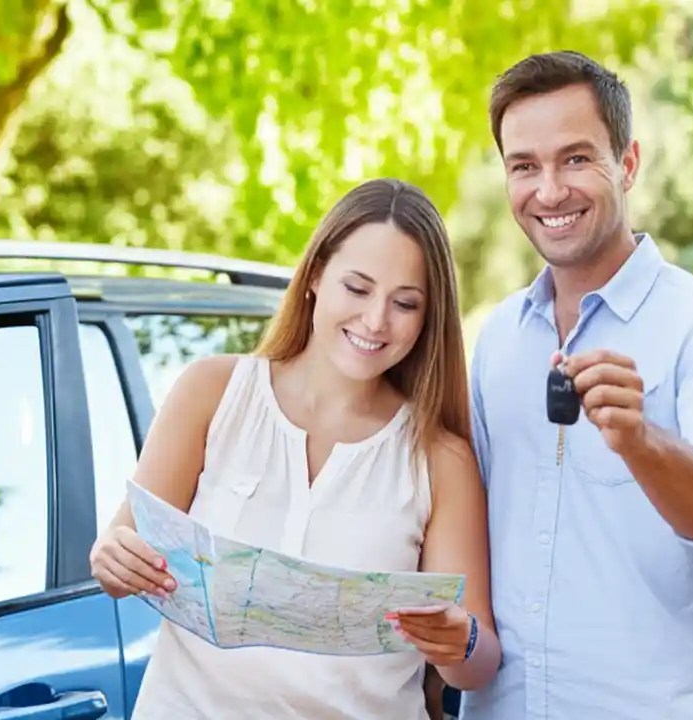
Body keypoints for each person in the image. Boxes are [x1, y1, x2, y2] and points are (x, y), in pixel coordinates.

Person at [89, 178, 502, 719]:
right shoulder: (211, 393)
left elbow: (477, 663)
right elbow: (120, 550)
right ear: (313, 278)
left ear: (429, 319)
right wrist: (112, 558)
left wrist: (460, 642)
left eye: (405, 303)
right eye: (357, 288)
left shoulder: (439, 460)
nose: (376, 320)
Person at [459, 51, 693, 720]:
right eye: (524, 166)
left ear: (628, 163)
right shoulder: (499, 341)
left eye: (576, 159)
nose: (548, 191)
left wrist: (640, 443)